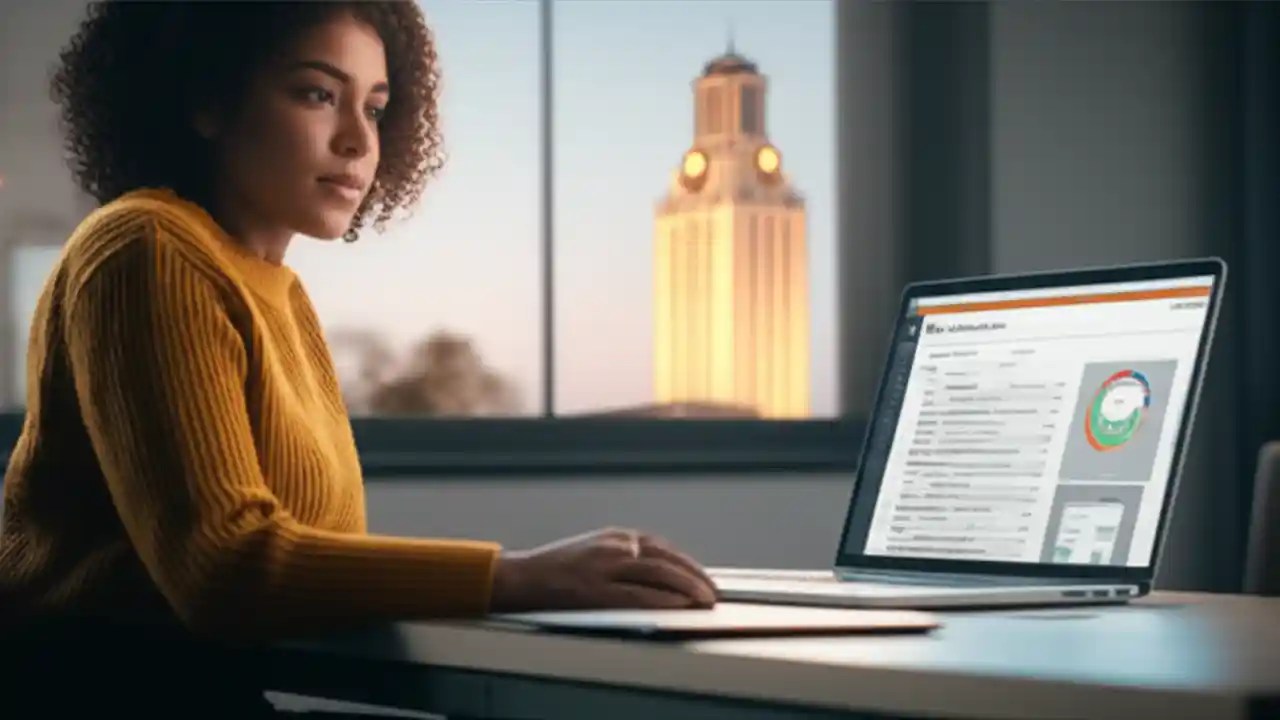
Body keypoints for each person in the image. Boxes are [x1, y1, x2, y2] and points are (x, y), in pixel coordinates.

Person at [0, 2, 717, 717]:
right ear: (207, 98)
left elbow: (315, 554)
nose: (357, 141)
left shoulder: (278, 293)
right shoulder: (145, 246)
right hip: (91, 692)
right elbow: (225, 570)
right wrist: (521, 576)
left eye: (374, 108)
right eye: (316, 93)